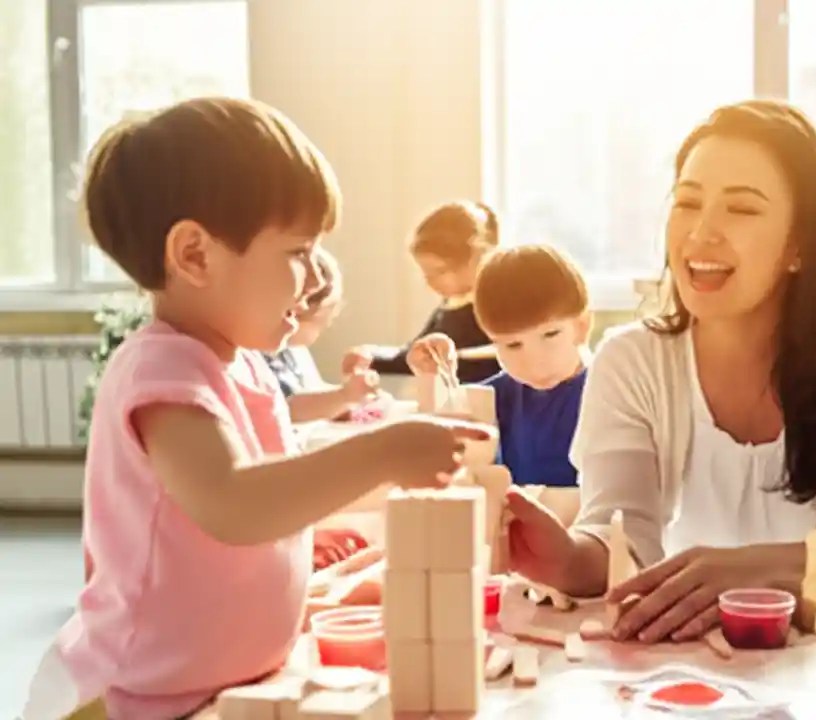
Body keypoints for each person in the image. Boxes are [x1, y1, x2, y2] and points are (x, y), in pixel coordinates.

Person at [23, 97, 490, 720]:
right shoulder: (163, 369)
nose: (317, 277)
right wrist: (382, 453)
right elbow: (233, 503)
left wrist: (310, 536)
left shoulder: (237, 362)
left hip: (217, 689)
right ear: (194, 255)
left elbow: (249, 501)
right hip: (137, 700)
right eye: (298, 251)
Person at [501, 99, 816, 644]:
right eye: (687, 203)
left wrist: (740, 569)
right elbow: (622, 533)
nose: (701, 234)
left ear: (801, 245)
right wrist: (565, 559)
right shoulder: (631, 361)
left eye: (741, 210)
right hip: (683, 658)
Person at [409, 245, 589, 524]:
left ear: (582, 326)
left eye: (550, 335)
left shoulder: (606, 393)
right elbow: (443, 447)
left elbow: (618, 497)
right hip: (512, 546)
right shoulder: (494, 395)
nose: (535, 360)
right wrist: (434, 376)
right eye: (513, 345)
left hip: (587, 544)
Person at [343, 200, 502, 383]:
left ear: (475, 258)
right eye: (426, 273)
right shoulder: (448, 308)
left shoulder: (495, 306)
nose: (430, 281)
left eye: (439, 271)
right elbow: (414, 355)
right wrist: (371, 357)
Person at [264, 247, 382, 423]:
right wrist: (344, 395)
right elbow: (286, 408)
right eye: (321, 321)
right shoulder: (259, 353)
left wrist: (351, 391)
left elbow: (313, 392)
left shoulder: (297, 351)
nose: (327, 325)